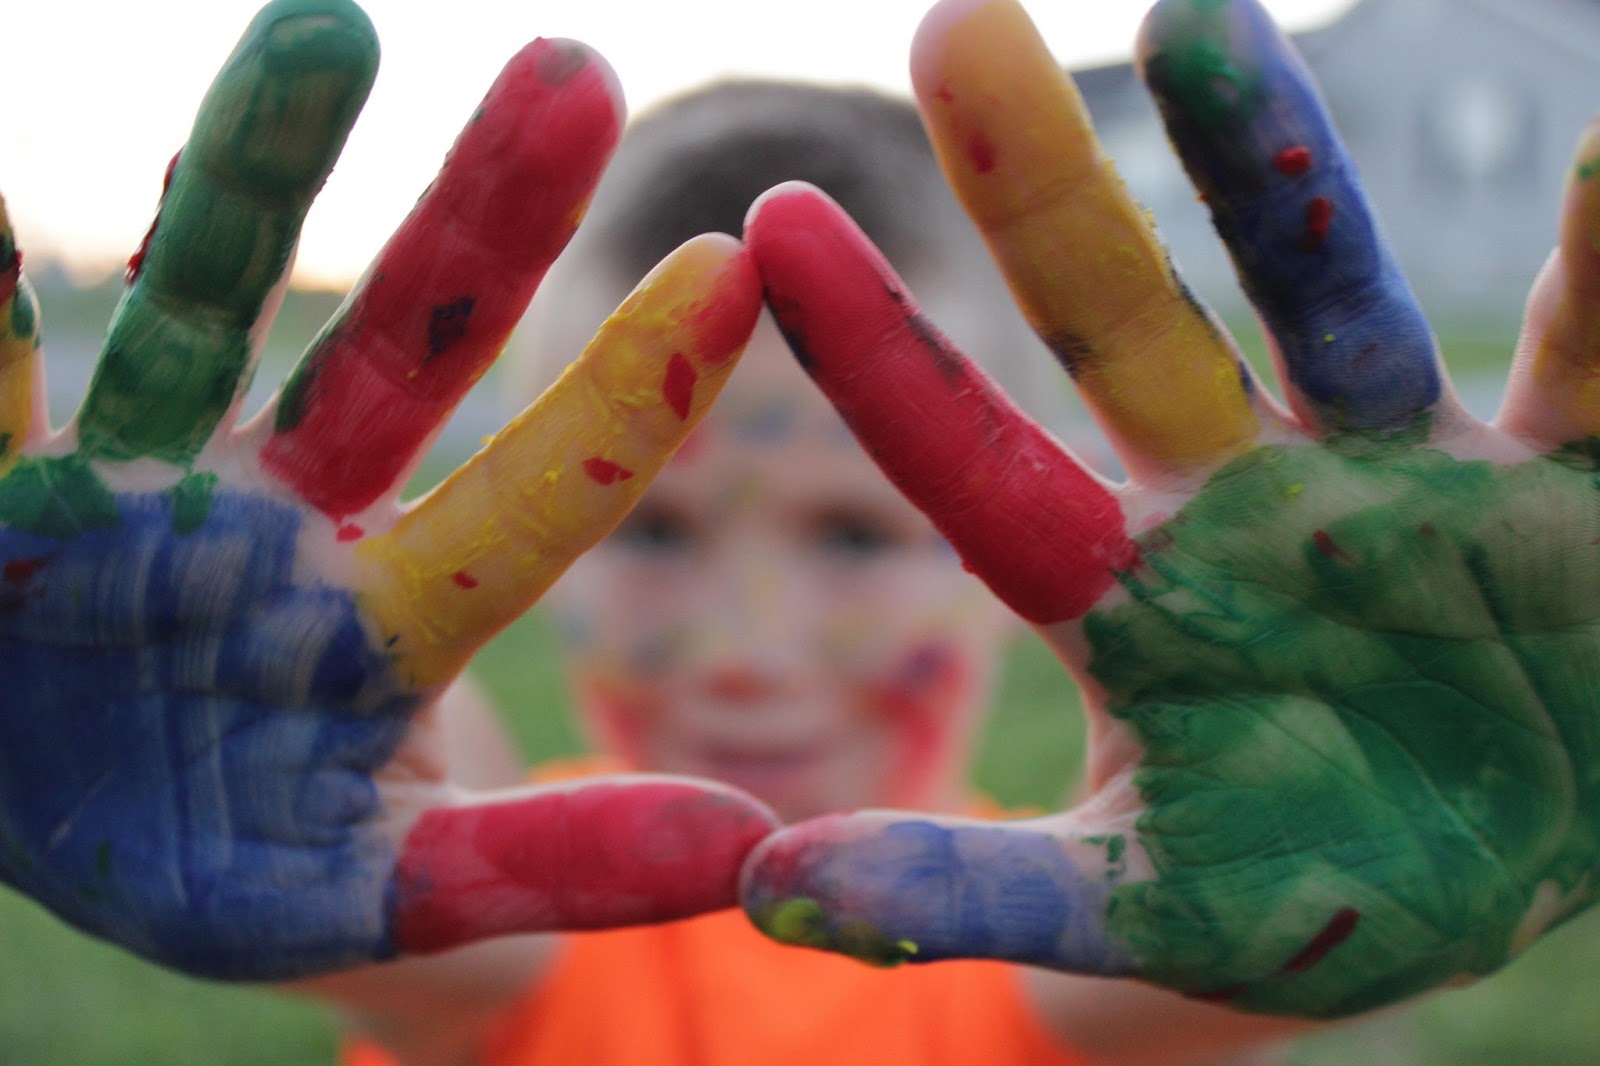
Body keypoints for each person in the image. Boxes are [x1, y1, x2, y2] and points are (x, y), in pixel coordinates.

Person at [4, 0, 1600, 1061]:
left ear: (1044, 539)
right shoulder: (462, 890)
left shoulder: (1128, 925)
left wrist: (1472, 759)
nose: (748, 648)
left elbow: (1227, 922)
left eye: (854, 535)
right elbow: (334, 817)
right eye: (638, 528)